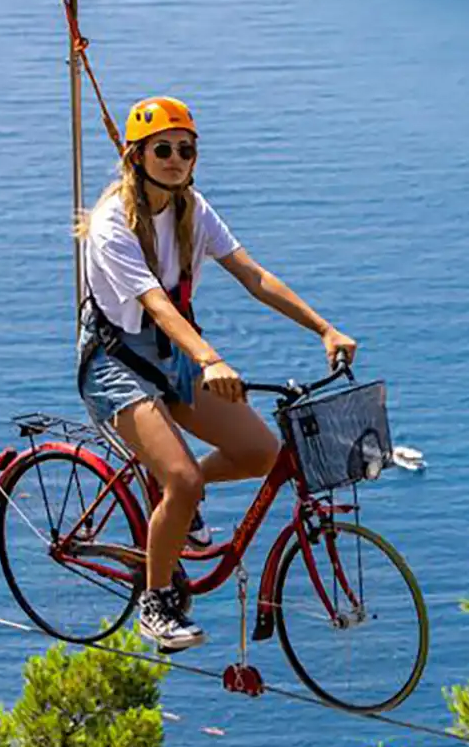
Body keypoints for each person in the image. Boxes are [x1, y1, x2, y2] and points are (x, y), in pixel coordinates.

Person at [77, 96, 356, 651]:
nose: (176, 159)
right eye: (163, 149)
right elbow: (155, 303)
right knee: (182, 479)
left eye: (186, 149)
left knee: (262, 454)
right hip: (115, 363)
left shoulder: (193, 211)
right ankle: (155, 606)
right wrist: (209, 359)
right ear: (136, 156)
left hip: (172, 353)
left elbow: (253, 276)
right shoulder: (113, 224)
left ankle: (180, 502)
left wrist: (324, 329)